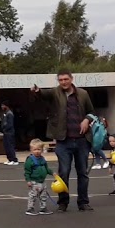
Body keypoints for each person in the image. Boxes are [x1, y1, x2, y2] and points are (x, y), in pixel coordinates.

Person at [31, 69, 96, 212]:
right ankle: (63, 202)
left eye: (66, 79)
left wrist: (87, 119)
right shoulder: (55, 93)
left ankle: (83, 202)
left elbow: (92, 112)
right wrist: (37, 91)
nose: (63, 82)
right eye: (60, 80)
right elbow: (43, 94)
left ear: (71, 79)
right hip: (63, 140)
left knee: (82, 172)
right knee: (64, 172)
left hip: (81, 140)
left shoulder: (83, 94)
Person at [23, 139, 55, 216]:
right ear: (31, 150)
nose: (37, 151)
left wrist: (52, 173)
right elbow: (27, 171)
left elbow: (46, 168)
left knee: (43, 196)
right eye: (35, 149)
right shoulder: (30, 160)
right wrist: (28, 180)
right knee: (33, 195)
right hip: (34, 182)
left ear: (42, 149)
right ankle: (30, 208)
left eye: (39, 149)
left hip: (42, 181)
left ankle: (43, 208)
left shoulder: (42, 159)